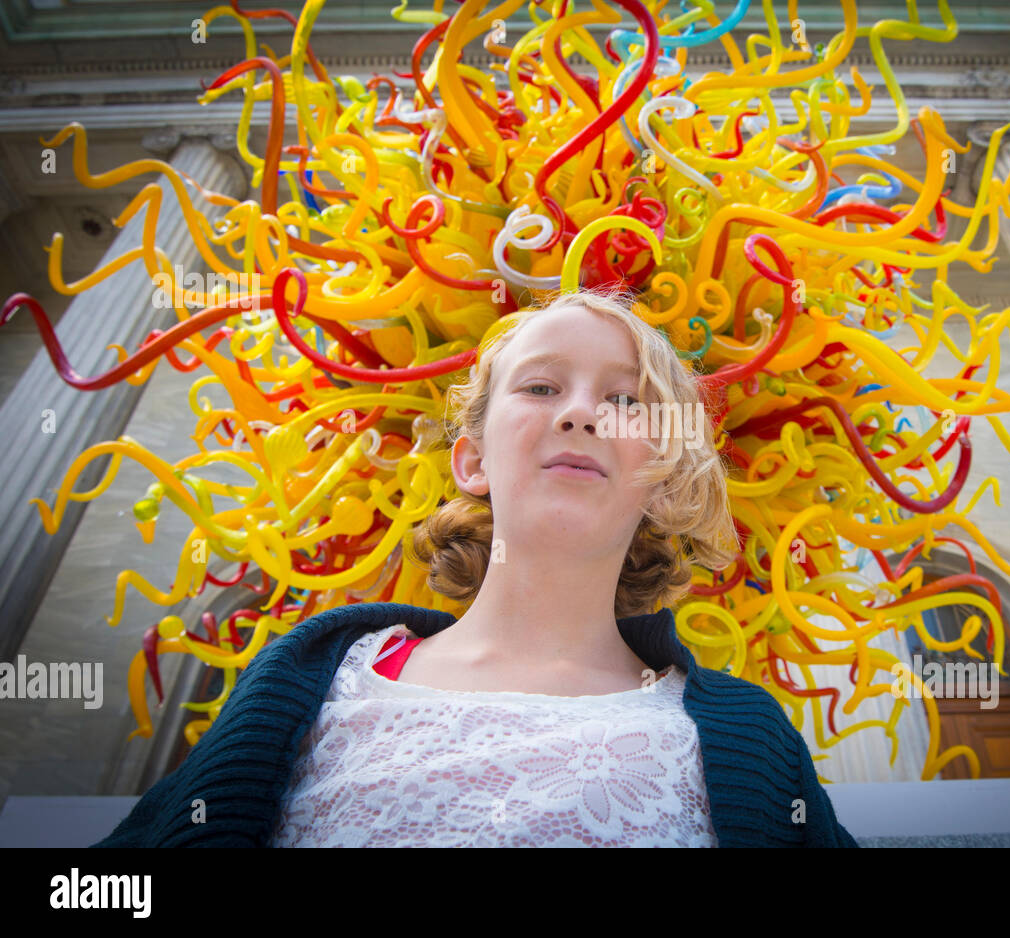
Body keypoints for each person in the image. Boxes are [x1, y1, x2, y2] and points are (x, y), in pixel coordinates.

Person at [92, 288, 860, 847]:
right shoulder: (315, 675)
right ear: (472, 460)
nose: (580, 412)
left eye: (625, 400)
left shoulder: (749, 738)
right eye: (540, 386)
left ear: (659, 473)